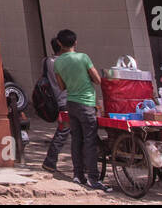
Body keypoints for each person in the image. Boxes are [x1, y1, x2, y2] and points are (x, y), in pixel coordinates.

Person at [53, 28, 112, 192]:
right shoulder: (83, 57)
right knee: (90, 141)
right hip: (86, 103)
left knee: (76, 140)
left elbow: (61, 86)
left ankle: (78, 174)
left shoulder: (57, 62)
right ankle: (93, 178)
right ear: (75, 42)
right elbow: (97, 79)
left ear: (59, 43)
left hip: (71, 103)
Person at [41, 36, 71, 174]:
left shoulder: (47, 61)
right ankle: (50, 161)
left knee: (67, 131)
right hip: (67, 101)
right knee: (63, 132)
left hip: (58, 101)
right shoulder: (64, 63)